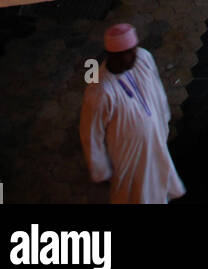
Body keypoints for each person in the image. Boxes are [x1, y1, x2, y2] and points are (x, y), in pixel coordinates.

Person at [79, 23, 185, 205]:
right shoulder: (100, 91)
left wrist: (163, 124)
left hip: (155, 144)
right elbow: (90, 133)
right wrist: (101, 169)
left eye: (134, 49)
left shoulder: (143, 58)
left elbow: (157, 91)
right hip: (128, 156)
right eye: (129, 52)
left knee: (159, 183)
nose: (135, 54)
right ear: (114, 55)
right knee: (135, 195)